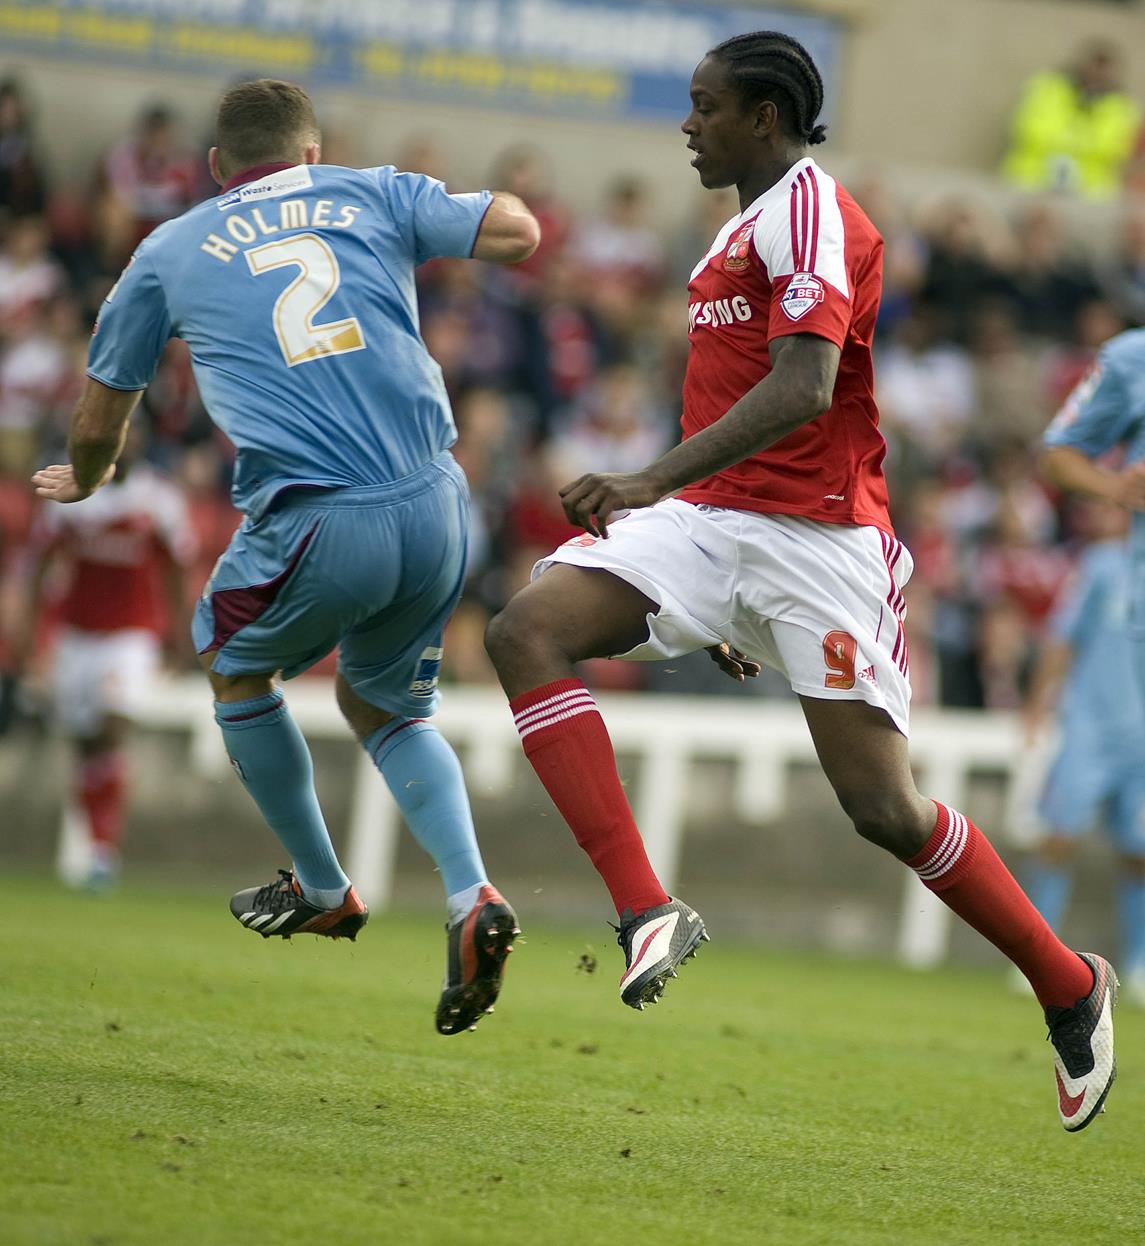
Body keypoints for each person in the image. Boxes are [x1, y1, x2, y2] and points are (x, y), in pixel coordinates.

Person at [484, 29, 1117, 1131]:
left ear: (764, 117)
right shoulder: (738, 223)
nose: (687, 123)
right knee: (523, 630)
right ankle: (643, 909)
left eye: (704, 105)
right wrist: (695, 552)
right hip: (713, 526)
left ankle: (1068, 982)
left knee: (881, 807)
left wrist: (645, 478)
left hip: (819, 542)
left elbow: (807, 385)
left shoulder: (810, 210)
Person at [32, 79, 540, 1036]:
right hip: (437, 501)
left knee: (234, 666)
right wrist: (438, 203)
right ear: (311, 153)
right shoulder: (368, 189)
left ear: (217, 167)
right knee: (384, 703)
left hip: (317, 515)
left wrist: (92, 477)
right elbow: (515, 232)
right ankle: (470, 892)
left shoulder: (169, 248)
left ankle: (322, 884)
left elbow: (102, 411)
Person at [18, 424, 194, 886]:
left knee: (113, 726)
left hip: (130, 636)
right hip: (76, 635)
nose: (124, 443)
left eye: (131, 435)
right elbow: (37, 570)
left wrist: (181, 636)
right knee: (84, 744)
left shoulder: (158, 499)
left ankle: (102, 850)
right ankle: (95, 841)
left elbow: (176, 571)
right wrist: (31, 642)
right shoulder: (68, 497)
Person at [1020, 500, 1145, 1007]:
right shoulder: (1100, 565)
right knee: (1059, 837)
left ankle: (1138, 963)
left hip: (1140, 740)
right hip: (1089, 729)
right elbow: (1062, 638)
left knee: (1138, 853)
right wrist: (1038, 703)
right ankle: (1036, 959)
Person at [1000, 40, 1142, 199]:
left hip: (1090, 190)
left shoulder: (1120, 106)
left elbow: (1118, 148)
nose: (1096, 72)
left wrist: (1066, 139)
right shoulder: (1048, 87)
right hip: (1031, 178)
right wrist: (1082, 141)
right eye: (1094, 64)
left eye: (1102, 67)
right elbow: (1027, 127)